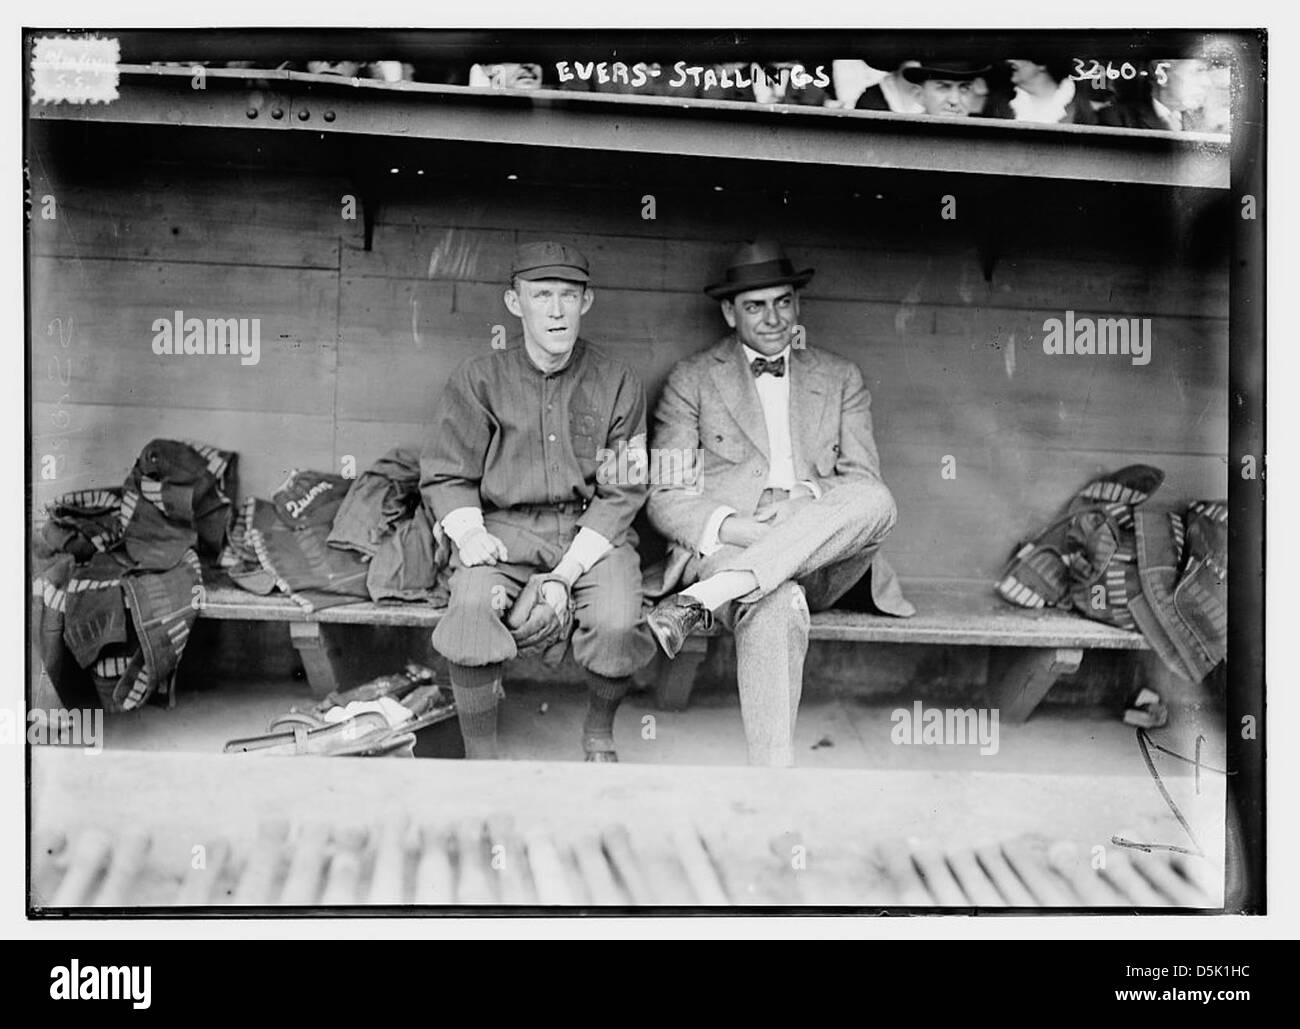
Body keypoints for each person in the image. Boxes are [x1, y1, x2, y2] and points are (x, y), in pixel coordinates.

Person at [644, 241, 913, 767]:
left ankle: (709, 596)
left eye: (783, 302)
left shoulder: (840, 378)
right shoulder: (691, 380)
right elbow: (666, 496)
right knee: (777, 598)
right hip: (733, 543)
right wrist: (738, 528)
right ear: (729, 312)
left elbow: (861, 480)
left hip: (823, 555)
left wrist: (804, 503)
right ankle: (774, 779)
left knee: (877, 500)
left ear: (797, 304)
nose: (773, 318)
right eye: (755, 305)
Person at [421, 242, 656, 762]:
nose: (555, 310)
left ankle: (598, 735)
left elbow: (624, 490)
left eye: (568, 296)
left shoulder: (618, 381)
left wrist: (563, 578)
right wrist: (469, 533)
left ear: (586, 302)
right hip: (504, 530)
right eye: (541, 294)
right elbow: (447, 473)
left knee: (618, 620)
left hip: (593, 532)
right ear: (514, 302)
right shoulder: (477, 378)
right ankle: (481, 756)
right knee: (471, 607)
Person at [1098, 58, 1213, 132]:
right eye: (1197, 71)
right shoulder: (1117, 119)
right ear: (1161, 73)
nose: (1207, 83)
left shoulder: (1202, 122)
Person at [1004, 59, 1098, 124]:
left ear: (1041, 65)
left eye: (1021, 57)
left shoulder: (1079, 104)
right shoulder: (1002, 102)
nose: (1010, 61)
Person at [902, 60, 991, 117]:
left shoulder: (985, 142)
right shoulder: (901, 140)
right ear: (919, 95)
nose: (954, 101)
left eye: (965, 88)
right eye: (943, 87)